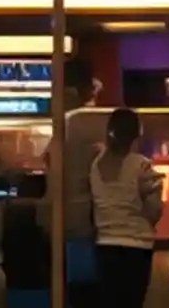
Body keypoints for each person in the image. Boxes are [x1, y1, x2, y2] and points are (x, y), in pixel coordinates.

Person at [90, 108, 163, 308]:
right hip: (137, 247)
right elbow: (154, 212)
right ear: (137, 133)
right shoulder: (141, 165)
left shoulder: (96, 165)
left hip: (105, 244)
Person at [62, 57, 102, 307]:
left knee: (76, 290)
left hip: (72, 221)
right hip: (92, 222)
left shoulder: (69, 123)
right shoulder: (91, 122)